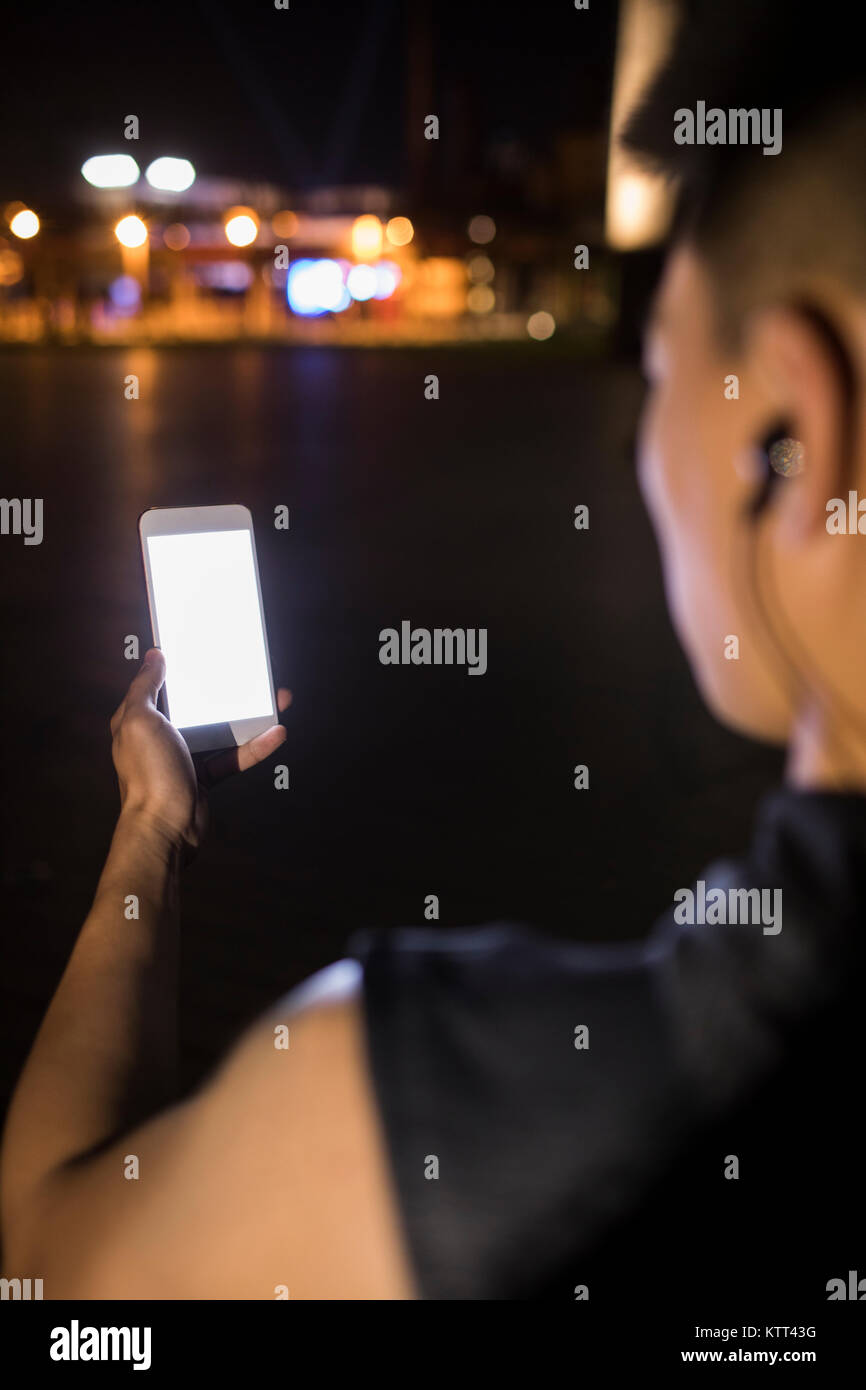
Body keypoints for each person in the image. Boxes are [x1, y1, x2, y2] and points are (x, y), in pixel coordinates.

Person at [2, 0, 865, 1301]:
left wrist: (145, 822)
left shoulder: (429, 1093)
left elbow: (50, 1258)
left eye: (658, 366)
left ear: (788, 439)